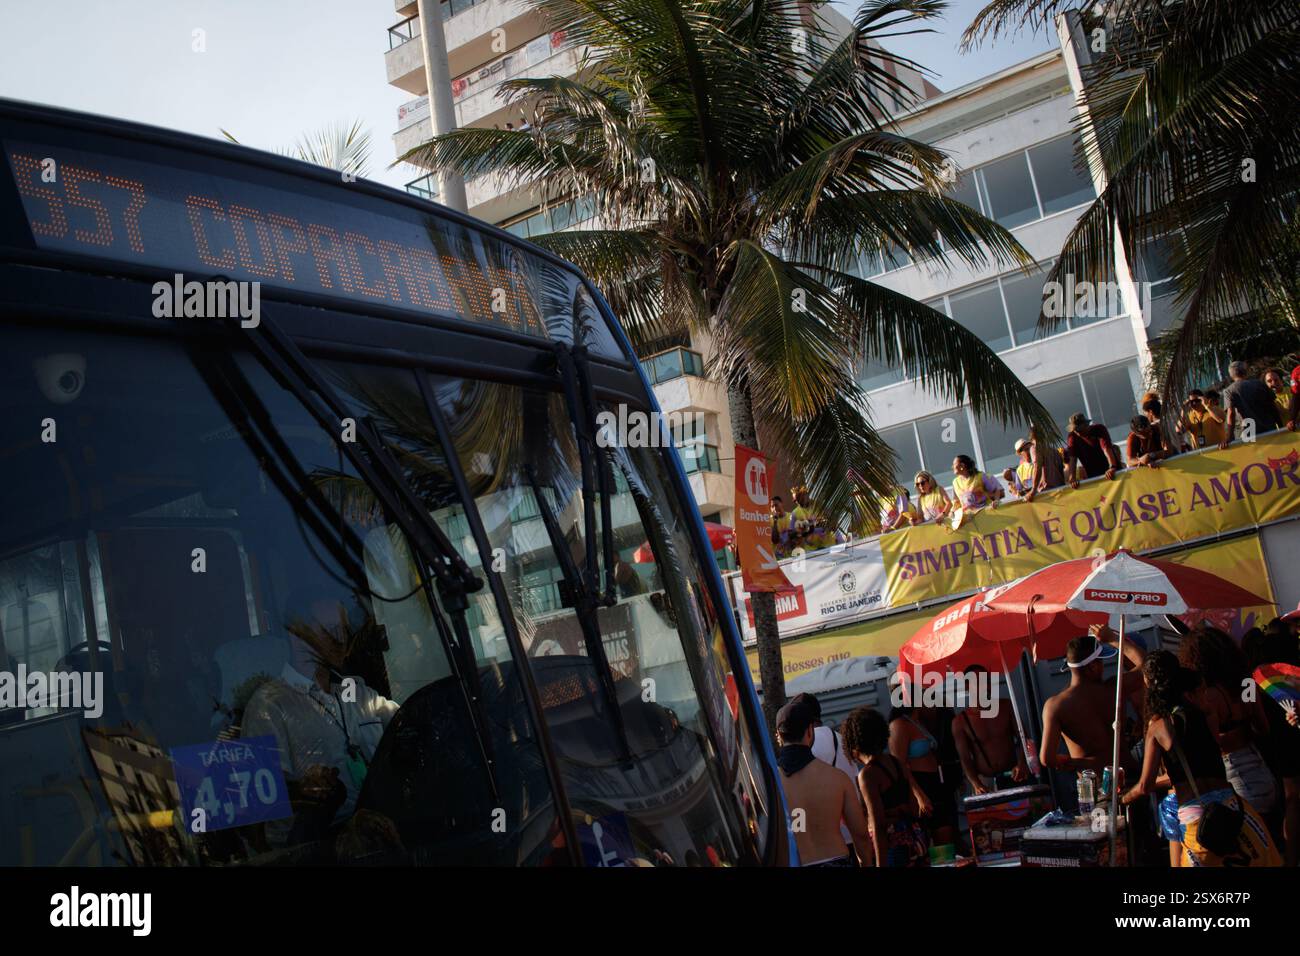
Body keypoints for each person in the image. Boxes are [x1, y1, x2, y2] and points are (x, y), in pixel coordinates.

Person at [242, 591, 399, 848]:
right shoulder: (269, 706)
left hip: (381, 836)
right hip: (317, 851)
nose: (343, 640)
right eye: (331, 630)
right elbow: (261, 798)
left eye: (344, 631)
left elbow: (407, 722)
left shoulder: (357, 693)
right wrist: (303, 790)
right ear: (295, 634)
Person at [1121, 652, 1281, 867]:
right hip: (1231, 802)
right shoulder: (1212, 710)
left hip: (1195, 814)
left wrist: (1122, 798)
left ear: (1149, 684)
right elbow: (1246, 732)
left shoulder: (1159, 727)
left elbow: (1145, 785)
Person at [1178, 625, 1277, 821]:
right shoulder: (1246, 683)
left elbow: (1212, 746)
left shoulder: (1208, 696)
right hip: (1261, 769)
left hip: (1233, 776)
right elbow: (1262, 727)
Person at [775, 695, 873, 866]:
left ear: (778, 736)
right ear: (810, 731)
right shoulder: (837, 779)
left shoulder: (770, 783)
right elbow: (861, 835)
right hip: (836, 860)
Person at [1040, 626, 1147, 780]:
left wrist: (1073, 762)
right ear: (1092, 667)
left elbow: (1047, 759)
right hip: (1129, 775)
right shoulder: (1114, 688)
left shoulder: (1056, 706)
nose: (1103, 667)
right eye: (1100, 662)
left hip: (1094, 784)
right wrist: (1113, 638)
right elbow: (1146, 665)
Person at [841, 706, 930, 867]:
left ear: (853, 745)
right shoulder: (897, 762)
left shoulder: (868, 775)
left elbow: (878, 824)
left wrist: (880, 864)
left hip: (893, 850)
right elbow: (913, 807)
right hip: (915, 842)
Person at [889, 699, 960, 848]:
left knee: (946, 836)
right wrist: (918, 794)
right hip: (920, 784)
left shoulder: (919, 722)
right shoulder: (899, 725)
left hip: (936, 783)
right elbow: (899, 764)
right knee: (931, 839)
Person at [952, 666, 1029, 794]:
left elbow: (1024, 738)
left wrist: (1022, 763)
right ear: (966, 686)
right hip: (984, 782)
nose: (984, 686)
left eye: (986, 681)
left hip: (1014, 775)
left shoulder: (1006, 706)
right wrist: (976, 783)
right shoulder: (960, 722)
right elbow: (964, 758)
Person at [1221, 359, 1280, 447]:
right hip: (1270, 430)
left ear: (1231, 375)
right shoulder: (1260, 384)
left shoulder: (1229, 391)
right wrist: (1281, 427)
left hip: (1249, 434)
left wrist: (1229, 437)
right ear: (1245, 372)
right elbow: (1273, 407)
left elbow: (1231, 414)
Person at [1062, 412, 1122, 487]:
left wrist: (1112, 467)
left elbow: (1106, 448)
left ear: (1086, 425)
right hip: (1094, 475)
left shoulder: (1099, 429)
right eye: (1075, 430)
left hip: (1114, 472)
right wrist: (1072, 478)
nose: (1078, 432)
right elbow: (1073, 458)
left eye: (1079, 429)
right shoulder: (1072, 437)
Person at [1023, 421, 1066, 501]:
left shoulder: (1035, 448)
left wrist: (1033, 490)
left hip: (1048, 493)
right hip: (1061, 491)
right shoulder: (1054, 451)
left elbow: (1037, 468)